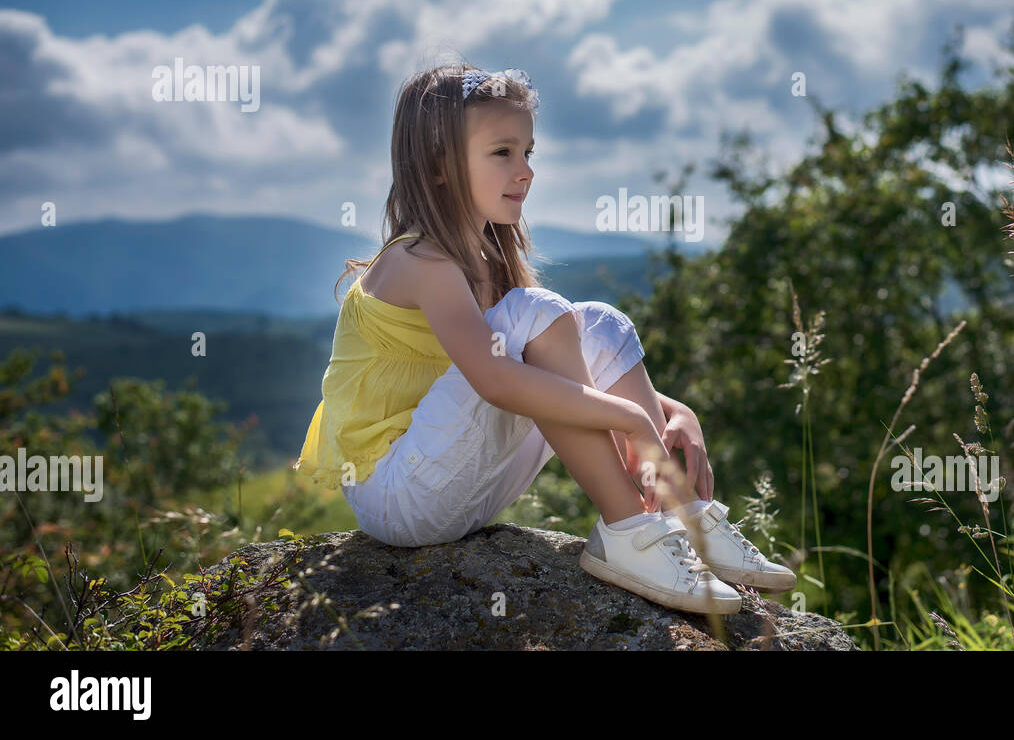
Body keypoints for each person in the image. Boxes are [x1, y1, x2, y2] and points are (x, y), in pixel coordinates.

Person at [294, 63, 795, 615]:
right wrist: (631, 421)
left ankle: (680, 512)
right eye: (502, 152)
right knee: (540, 313)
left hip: (454, 478)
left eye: (528, 152)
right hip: (397, 494)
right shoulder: (421, 260)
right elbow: (493, 380)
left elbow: (558, 365)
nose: (525, 171)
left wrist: (675, 412)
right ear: (439, 166)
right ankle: (629, 529)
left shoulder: (488, 258)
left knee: (597, 322)